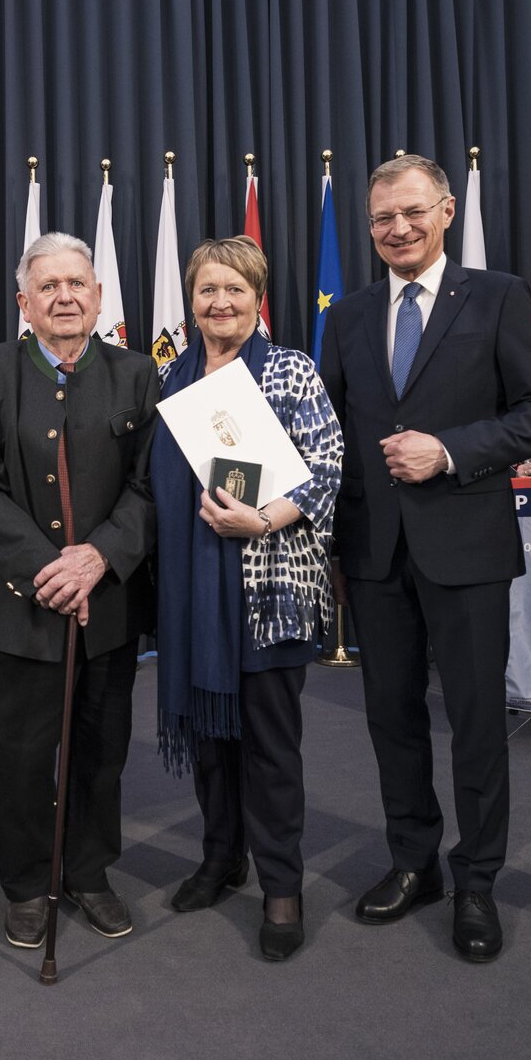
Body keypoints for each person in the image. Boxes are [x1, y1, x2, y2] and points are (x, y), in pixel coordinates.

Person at [318, 154, 531, 963]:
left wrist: (451, 451)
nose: (398, 228)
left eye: (413, 212)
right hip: (373, 553)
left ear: (447, 211)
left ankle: (478, 881)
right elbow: (331, 437)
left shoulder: (498, 297)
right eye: (382, 218)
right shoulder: (348, 316)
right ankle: (413, 862)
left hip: (467, 547)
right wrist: (329, 544)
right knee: (390, 717)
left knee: (475, 722)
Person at [0, 232, 158, 950]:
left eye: (77, 285)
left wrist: (97, 558)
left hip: (107, 603)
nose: (64, 297)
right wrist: (50, 571)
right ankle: (26, 883)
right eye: (48, 286)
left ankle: (89, 873)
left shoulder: (138, 374)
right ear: (24, 302)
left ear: (98, 297)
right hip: (15, 605)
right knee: (17, 753)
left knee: (101, 751)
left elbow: (149, 487)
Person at [153, 237, 341, 962]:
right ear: (191, 300)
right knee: (209, 739)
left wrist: (258, 520)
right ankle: (221, 857)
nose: (220, 302)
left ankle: (282, 886)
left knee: (269, 747)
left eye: (235, 288)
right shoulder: (170, 379)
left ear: (258, 297)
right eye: (207, 289)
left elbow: (326, 467)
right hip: (190, 592)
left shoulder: (289, 370)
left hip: (269, 590)